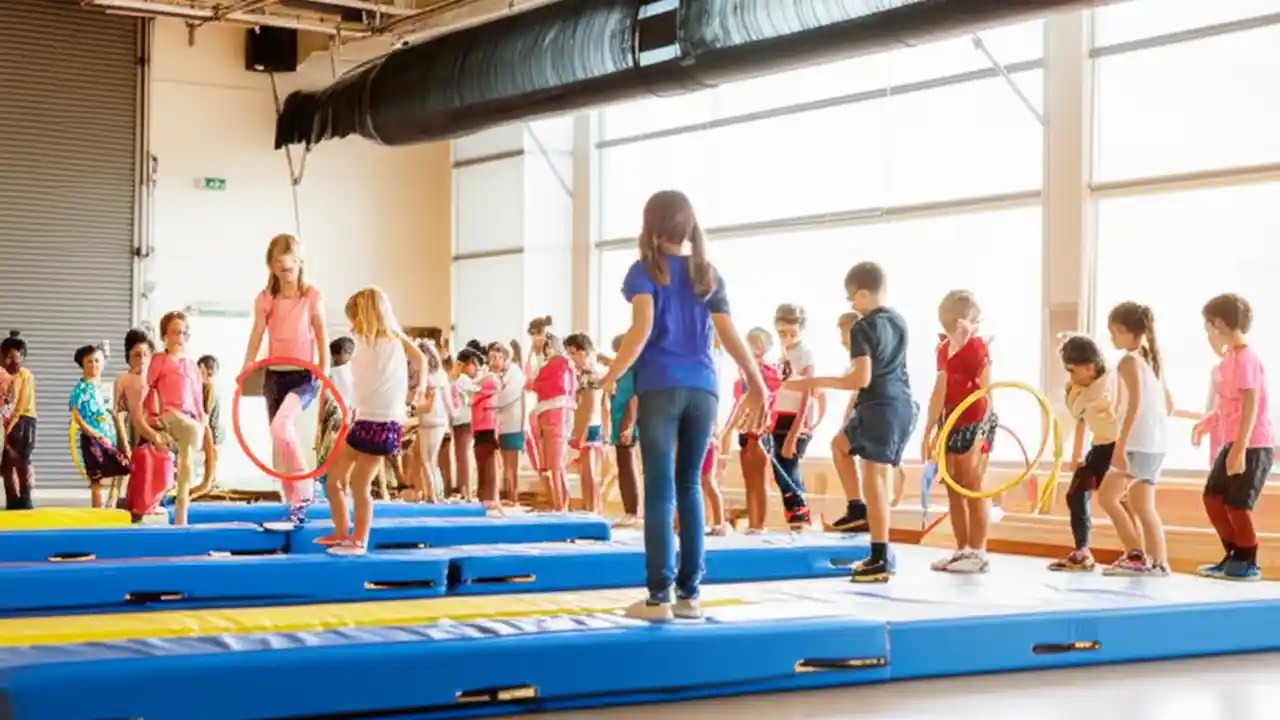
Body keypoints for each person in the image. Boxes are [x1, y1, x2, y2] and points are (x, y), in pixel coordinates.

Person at [602, 190, 767, 621]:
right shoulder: (705, 273)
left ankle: (659, 597)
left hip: (661, 386)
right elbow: (730, 335)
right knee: (690, 485)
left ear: (650, 226)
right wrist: (755, 381)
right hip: (703, 389)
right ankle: (690, 595)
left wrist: (611, 374)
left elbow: (642, 328)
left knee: (660, 489)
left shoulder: (645, 271)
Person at [785, 262, 915, 583]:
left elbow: (861, 377)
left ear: (863, 294)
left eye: (850, 299)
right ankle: (857, 509)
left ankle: (879, 555)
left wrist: (809, 384)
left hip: (882, 406)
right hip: (897, 404)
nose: (851, 306)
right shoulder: (898, 321)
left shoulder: (862, 326)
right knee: (840, 446)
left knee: (876, 479)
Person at [317, 287, 425, 556]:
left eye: (355, 316)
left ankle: (359, 539)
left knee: (359, 484)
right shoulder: (360, 340)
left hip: (383, 422)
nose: (352, 323)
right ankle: (342, 530)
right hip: (363, 418)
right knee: (333, 480)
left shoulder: (393, 338)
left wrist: (420, 388)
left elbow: (420, 358)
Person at [241, 233, 329, 526]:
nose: (283, 273)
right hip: (274, 376)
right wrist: (248, 364)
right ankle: (294, 505)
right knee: (279, 441)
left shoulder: (311, 296)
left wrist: (324, 371)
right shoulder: (267, 298)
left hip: (304, 376)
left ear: (300, 263)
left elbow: (321, 334)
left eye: (288, 268)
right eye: (277, 268)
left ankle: (306, 485)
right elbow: (257, 332)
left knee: (283, 424)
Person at [1196, 293, 1273, 581]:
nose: (1207, 332)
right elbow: (1230, 403)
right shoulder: (1229, 360)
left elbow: (1252, 403)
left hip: (1253, 445)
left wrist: (1240, 448)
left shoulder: (1245, 359)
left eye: (1208, 325)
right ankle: (1233, 556)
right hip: (1234, 442)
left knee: (1237, 505)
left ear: (1218, 323)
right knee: (1213, 498)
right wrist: (1211, 420)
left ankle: (1248, 561)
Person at [921, 291, 997, 574]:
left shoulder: (979, 347)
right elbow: (940, 389)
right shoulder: (942, 349)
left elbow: (986, 388)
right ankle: (962, 549)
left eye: (976, 321)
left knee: (972, 484)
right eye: (971, 320)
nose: (975, 325)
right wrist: (929, 428)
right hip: (950, 420)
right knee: (953, 486)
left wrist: (968, 343)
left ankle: (979, 551)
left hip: (976, 419)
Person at [1052, 334, 1133, 572]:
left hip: (1118, 447)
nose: (1070, 377)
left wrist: (1124, 453)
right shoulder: (1079, 389)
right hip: (1099, 447)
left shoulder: (1111, 383)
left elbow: (1124, 415)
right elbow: (1081, 421)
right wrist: (1076, 454)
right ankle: (1083, 550)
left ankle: (1136, 550)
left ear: (1090, 367)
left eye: (1072, 371)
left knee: (1122, 501)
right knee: (1077, 493)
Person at [1102, 302, 1172, 576]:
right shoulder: (1152, 361)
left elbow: (1135, 406)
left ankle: (1137, 554)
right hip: (1154, 444)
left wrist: (1121, 444)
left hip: (1139, 443)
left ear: (1126, 331)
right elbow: (1168, 405)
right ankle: (1157, 562)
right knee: (1143, 506)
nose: (1112, 338)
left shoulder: (1129, 361)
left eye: (1114, 332)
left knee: (1109, 497)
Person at [147, 311, 206, 526]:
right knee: (189, 436)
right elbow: (149, 390)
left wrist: (202, 420)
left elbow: (198, 397)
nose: (179, 337)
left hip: (190, 420)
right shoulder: (160, 361)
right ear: (165, 335)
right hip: (169, 415)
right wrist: (151, 418)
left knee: (187, 461)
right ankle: (175, 500)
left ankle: (182, 511)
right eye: (174, 332)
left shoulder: (191, 365)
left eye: (183, 332)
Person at [770, 304, 817, 529]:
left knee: (789, 467)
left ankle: (801, 515)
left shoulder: (804, 353)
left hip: (796, 419)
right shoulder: (782, 355)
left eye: (792, 333)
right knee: (780, 470)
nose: (787, 337)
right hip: (780, 417)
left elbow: (809, 391)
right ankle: (795, 518)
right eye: (782, 333)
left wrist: (795, 432)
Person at [729, 327, 781, 534]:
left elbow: (771, 399)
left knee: (760, 479)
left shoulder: (768, 371)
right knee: (749, 479)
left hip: (760, 430)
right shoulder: (744, 373)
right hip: (745, 429)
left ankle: (760, 523)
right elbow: (738, 403)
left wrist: (760, 429)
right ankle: (753, 523)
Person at [70, 344, 131, 508]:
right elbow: (76, 416)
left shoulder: (104, 387)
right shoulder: (80, 388)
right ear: (82, 364)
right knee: (96, 478)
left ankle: (114, 501)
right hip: (91, 440)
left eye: (97, 361)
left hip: (108, 437)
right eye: (89, 361)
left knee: (123, 466)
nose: (94, 365)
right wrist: (93, 434)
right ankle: (97, 511)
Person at [827, 312, 870, 532]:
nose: (842, 340)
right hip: (865, 410)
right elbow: (855, 393)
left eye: (844, 333)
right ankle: (857, 507)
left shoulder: (864, 351)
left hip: (876, 411)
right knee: (839, 445)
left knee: (841, 447)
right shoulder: (857, 356)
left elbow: (859, 385)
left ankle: (859, 508)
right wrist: (846, 421)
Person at [531, 333, 575, 512]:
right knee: (553, 466)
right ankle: (559, 505)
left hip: (557, 414)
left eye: (547, 345)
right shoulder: (549, 364)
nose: (546, 349)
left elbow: (550, 386)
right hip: (548, 413)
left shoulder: (561, 363)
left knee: (556, 465)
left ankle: (560, 506)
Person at [566, 332, 608, 514]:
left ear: (584, 352)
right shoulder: (583, 373)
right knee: (585, 471)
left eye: (574, 353)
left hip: (589, 425)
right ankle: (590, 507)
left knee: (589, 471)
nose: (571, 357)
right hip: (589, 424)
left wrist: (579, 433)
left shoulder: (589, 374)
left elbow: (590, 405)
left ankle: (593, 508)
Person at [460, 342, 500, 511]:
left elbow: (475, 395)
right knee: (481, 460)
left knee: (488, 460)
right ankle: (484, 496)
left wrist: (472, 394)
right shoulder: (479, 381)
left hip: (488, 424)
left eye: (464, 365)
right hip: (479, 425)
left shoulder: (489, 379)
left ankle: (490, 497)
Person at [608, 333, 641, 527]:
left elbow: (634, 397)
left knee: (627, 465)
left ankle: (632, 511)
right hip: (618, 418)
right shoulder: (621, 369)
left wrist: (629, 424)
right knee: (623, 465)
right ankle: (629, 509)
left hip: (626, 420)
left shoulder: (634, 368)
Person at [316, 337, 355, 498]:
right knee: (344, 461)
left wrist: (319, 425)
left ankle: (336, 493)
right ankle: (344, 491)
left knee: (332, 459)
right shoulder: (353, 373)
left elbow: (323, 399)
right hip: (348, 418)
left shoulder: (333, 373)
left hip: (335, 418)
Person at [2, 331, 37, 510]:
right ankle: (11, 498)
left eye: (18, 356)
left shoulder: (25, 375)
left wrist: (10, 425)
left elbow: (21, 404)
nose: (14, 361)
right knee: (7, 462)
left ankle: (25, 496)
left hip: (23, 421)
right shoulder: (3, 376)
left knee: (22, 460)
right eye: (9, 357)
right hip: (6, 422)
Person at [490, 341, 527, 506]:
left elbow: (507, 396)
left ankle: (513, 496)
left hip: (513, 424)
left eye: (497, 356)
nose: (493, 360)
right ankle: (505, 495)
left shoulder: (515, 373)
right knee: (503, 464)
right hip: (499, 424)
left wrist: (489, 402)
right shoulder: (497, 373)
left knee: (511, 464)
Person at [416, 340, 452, 502]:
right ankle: (437, 493)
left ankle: (433, 494)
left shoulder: (424, 377)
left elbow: (420, 401)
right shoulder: (442, 376)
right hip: (438, 419)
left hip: (429, 418)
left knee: (426, 459)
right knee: (432, 459)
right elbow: (448, 402)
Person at [191, 355, 223, 499]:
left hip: (211, 435)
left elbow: (207, 420)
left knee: (212, 449)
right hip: (204, 433)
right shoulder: (198, 388)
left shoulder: (210, 387)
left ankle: (209, 481)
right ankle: (207, 481)